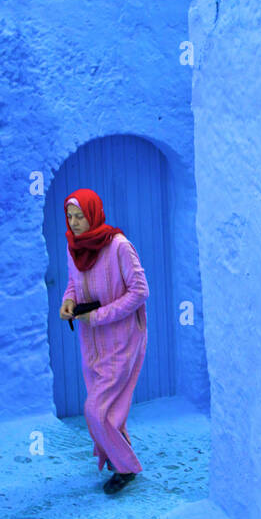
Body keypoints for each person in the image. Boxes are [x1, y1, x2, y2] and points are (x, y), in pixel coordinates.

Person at [58, 188, 149, 495]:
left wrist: (98, 316)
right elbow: (74, 281)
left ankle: (127, 467)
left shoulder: (119, 246)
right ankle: (117, 460)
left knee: (96, 410)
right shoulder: (74, 247)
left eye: (80, 215)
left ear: (93, 212)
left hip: (121, 340)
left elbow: (139, 291)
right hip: (91, 341)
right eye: (70, 217)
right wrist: (68, 301)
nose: (74, 222)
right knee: (109, 410)